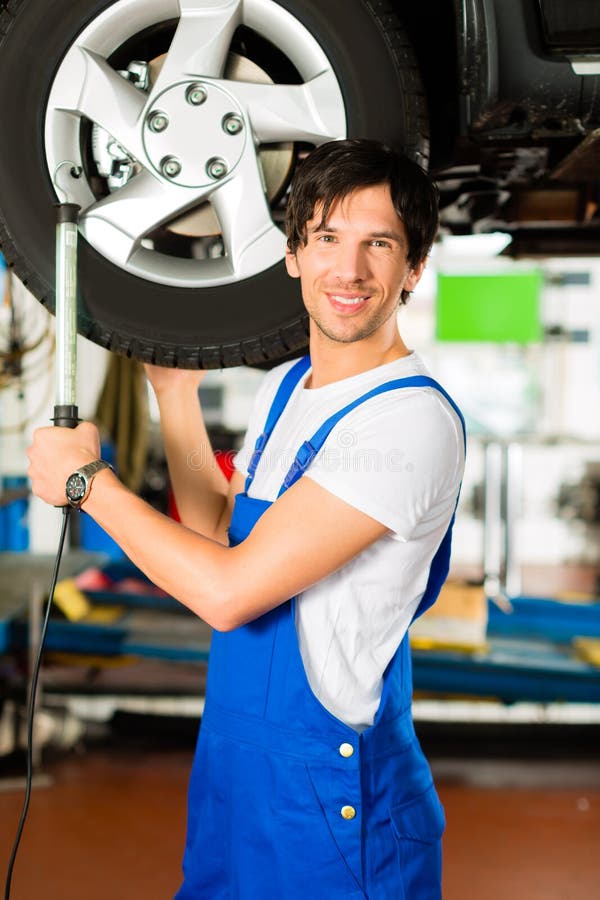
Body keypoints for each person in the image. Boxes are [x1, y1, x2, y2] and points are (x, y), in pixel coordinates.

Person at [28, 139, 465, 899]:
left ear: (413, 269)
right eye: (327, 238)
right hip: (236, 769)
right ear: (294, 255)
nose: (349, 270)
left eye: (379, 244)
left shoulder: (408, 422)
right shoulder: (287, 388)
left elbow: (230, 594)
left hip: (333, 798)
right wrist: (175, 396)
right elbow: (218, 548)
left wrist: (89, 485)